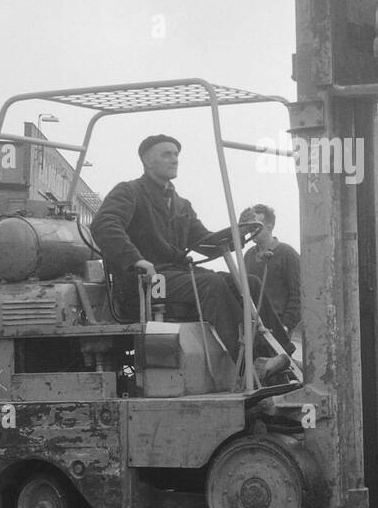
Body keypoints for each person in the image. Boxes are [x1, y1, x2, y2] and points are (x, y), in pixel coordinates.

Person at [90, 135, 290, 376]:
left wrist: (239, 233)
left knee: (250, 283)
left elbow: (206, 242)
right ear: (146, 159)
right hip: (146, 282)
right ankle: (250, 363)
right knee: (211, 284)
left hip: (178, 277)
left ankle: (284, 357)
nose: (174, 159)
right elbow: (105, 224)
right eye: (166, 154)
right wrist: (135, 260)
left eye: (176, 155)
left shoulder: (181, 204)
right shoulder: (129, 192)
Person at [241, 204, 301, 340]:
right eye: (250, 227)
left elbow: (298, 294)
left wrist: (286, 326)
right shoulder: (248, 255)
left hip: (277, 326)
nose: (252, 231)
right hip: (252, 326)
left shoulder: (287, 254)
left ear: (269, 227)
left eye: (256, 226)